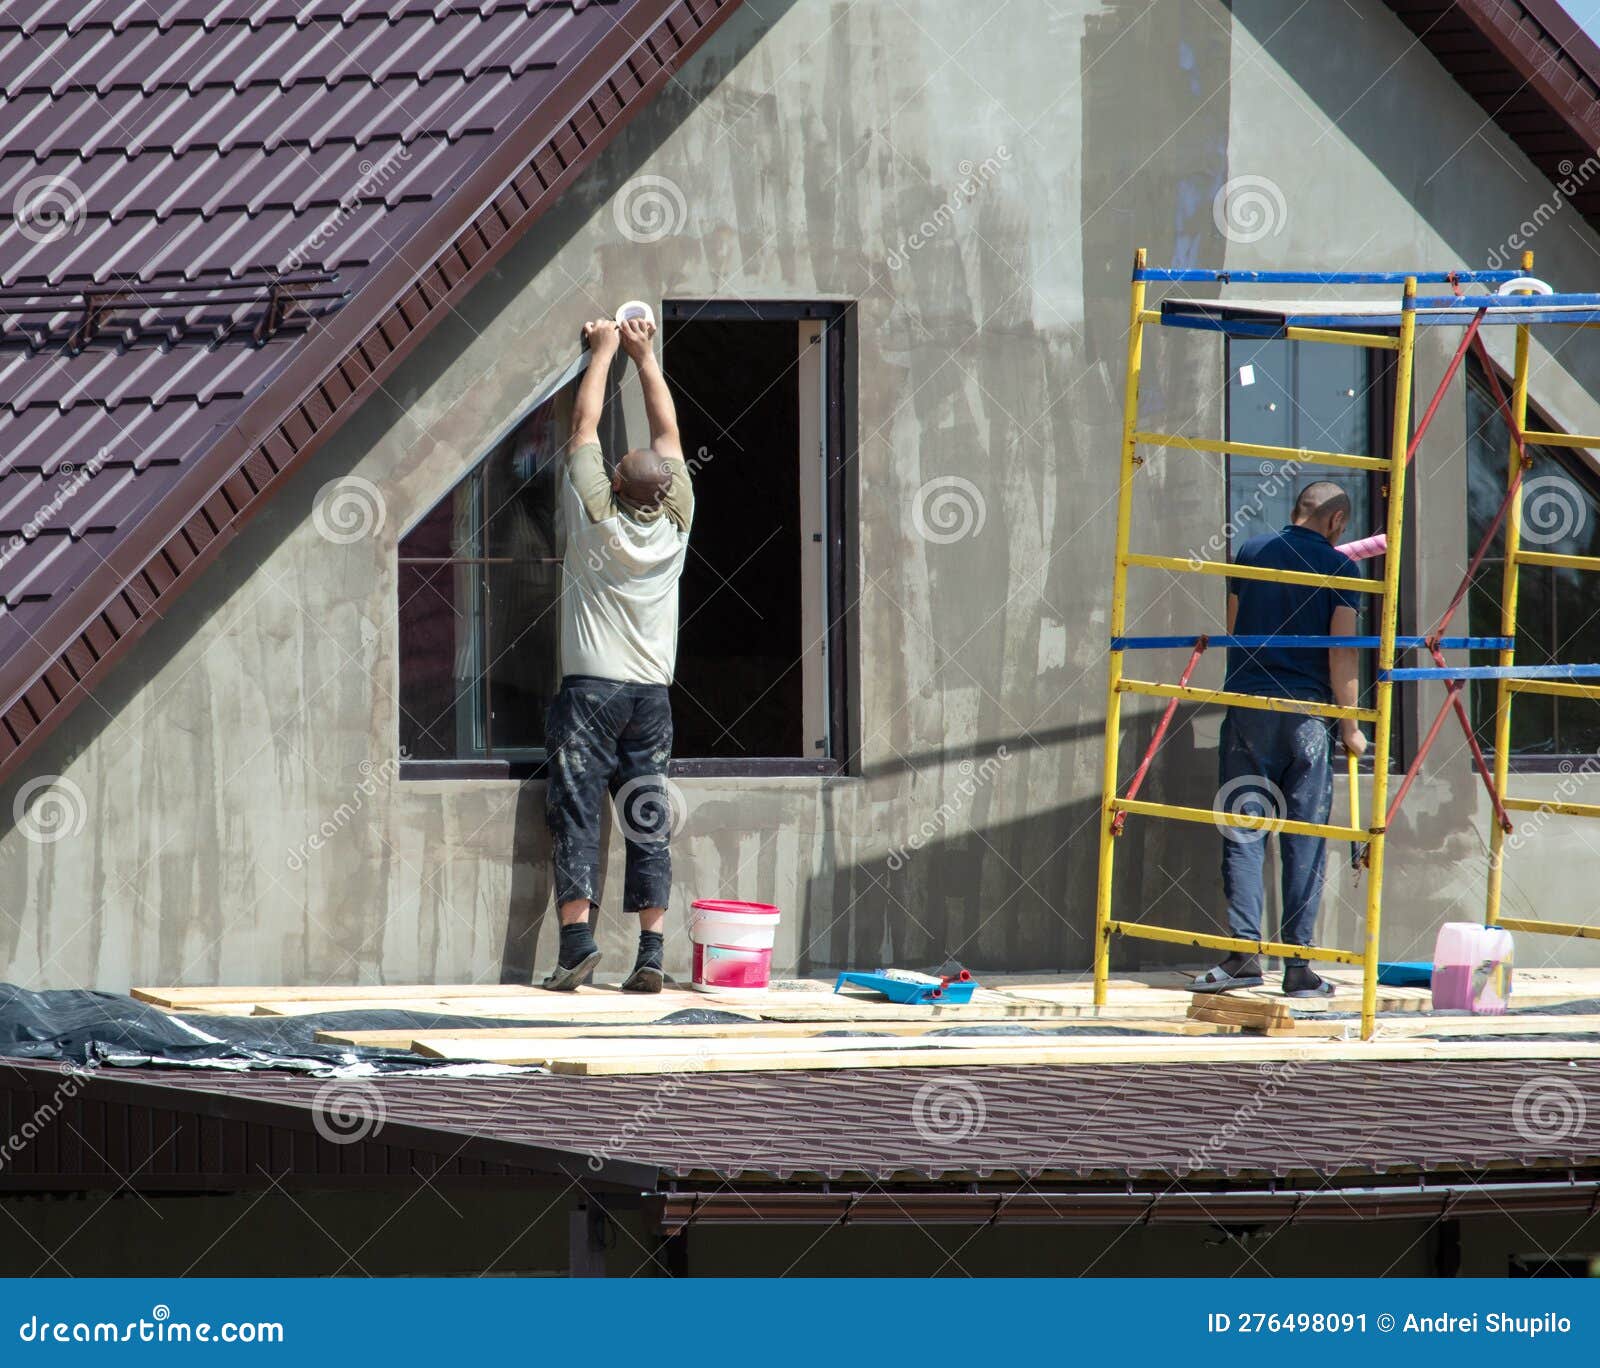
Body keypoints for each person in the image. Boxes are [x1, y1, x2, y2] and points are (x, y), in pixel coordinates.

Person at [540, 314, 692, 992]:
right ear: (663, 492)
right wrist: (645, 356)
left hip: (591, 690)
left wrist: (602, 351)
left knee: (577, 807)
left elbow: (583, 431)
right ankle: (652, 953)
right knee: (647, 811)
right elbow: (668, 434)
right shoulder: (678, 518)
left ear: (614, 487)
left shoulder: (594, 517)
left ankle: (577, 944)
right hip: (651, 696)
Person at [1192, 481, 1368, 999]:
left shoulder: (1250, 553)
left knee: (1244, 830)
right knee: (1303, 837)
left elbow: (1233, 632)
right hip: (1306, 717)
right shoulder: (1341, 569)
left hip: (1249, 708)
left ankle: (1244, 956)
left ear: (1297, 511)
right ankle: (1297, 968)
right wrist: (1352, 727)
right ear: (1336, 521)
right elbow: (1343, 652)